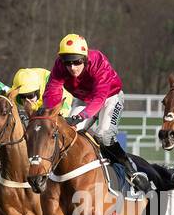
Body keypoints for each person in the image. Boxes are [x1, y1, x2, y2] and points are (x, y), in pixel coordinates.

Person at [41, 33, 149, 192]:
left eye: (77, 62)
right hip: (85, 99)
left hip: (109, 97)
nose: (72, 67)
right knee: (68, 132)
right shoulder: (59, 65)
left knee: (104, 135)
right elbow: (52, 91)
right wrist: (51, 114)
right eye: (68, 62)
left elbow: (100, 98)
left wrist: (81, 116)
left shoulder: (98, 60)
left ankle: (130, 169)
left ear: (84, 59)